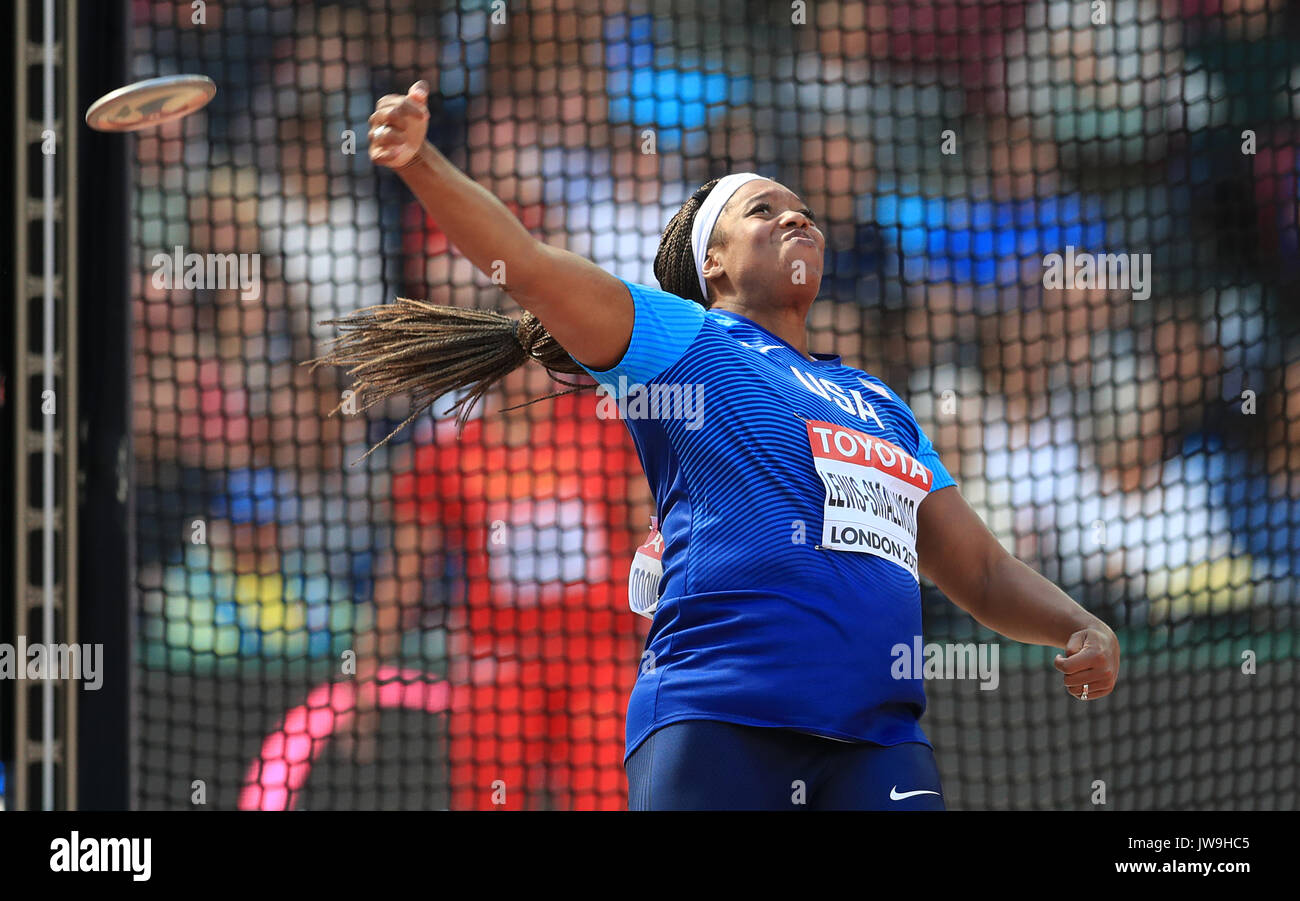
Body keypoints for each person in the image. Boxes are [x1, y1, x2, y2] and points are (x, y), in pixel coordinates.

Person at [343, 79, 1121, 810]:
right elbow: (529, 265)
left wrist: (1077, 622)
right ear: (711, 263)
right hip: (718, 713)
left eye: (803, 209)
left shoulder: (879, 402)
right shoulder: (681, 338)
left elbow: (980, 569)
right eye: (764, 210)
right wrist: (422, 160)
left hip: (880, 738)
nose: (797, 218)